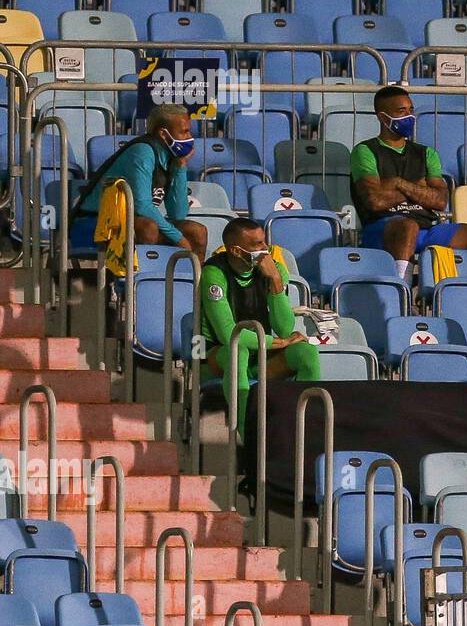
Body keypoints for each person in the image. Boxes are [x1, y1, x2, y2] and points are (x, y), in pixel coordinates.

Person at [351, 85, 467, 281]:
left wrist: (397, 183)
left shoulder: (426, 153)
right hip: (382, 228)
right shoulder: (365, 151)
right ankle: (402, 289)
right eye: (401, 111)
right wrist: (420, 189)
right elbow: (375, 201)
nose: (409, 116)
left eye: (410, 110)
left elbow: (440, 200)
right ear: (382, 117)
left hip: (426, 228)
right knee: (408, 226)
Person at [200, 218, 320, 436]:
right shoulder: (214, 273)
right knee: (238, 352)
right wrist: (277, 343)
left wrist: (275, 280)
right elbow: (229, 335)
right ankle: (248, 438)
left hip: (260, 357)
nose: (265, 249)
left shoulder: (273, 269)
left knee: (306, 352)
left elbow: (284, 327)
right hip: (218, 357)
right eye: (257, 245)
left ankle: (303, 431)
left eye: (264, 242)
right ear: (237, 251)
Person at [69, 102, 207, 253]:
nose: (190, 138)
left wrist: (181, 166)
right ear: (163, 134)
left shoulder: (170, 156)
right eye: (184, 132)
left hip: (132, 223)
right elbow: (142, 205)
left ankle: (191, 276)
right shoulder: (143, 152)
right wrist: (179, 239)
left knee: (197, 232)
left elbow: (178, 214)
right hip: (93, 223)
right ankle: (145, 275)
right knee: (149, 228)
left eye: (190, 132)